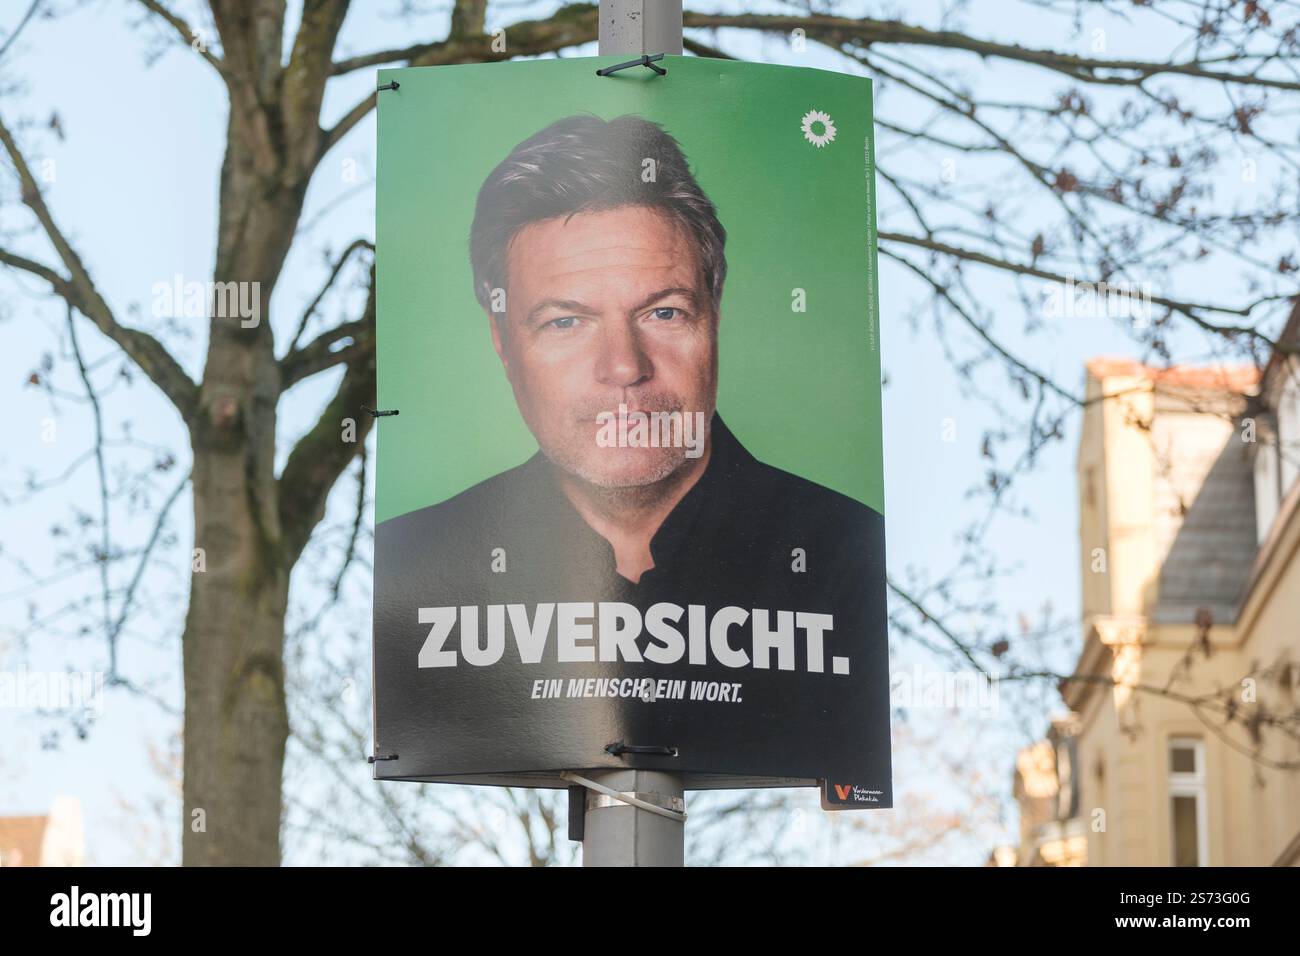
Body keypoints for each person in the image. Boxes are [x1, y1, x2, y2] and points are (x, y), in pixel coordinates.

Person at [373, 114, 888, 786]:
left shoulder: (843, 553)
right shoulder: (418, 564)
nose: (623, 367)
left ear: (716, 317)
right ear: (504, 346)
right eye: (566, 321)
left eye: (664, 312)